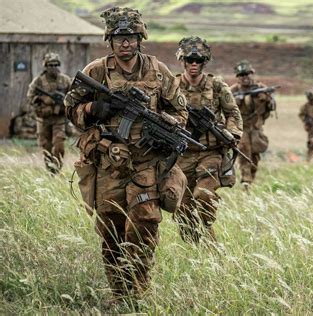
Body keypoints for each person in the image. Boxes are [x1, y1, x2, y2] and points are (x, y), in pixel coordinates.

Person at [64, 7, 188, 300]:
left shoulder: (159, 71)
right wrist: (95, 109)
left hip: (147, 164)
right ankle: (119, 292)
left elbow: (181, 112)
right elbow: (70, 108)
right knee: (111, 231)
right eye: (119, 37)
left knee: (144, 225)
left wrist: (166, 129)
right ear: (110, 40)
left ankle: (138, 290)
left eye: (131, 37)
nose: (125, 43)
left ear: (140, 38)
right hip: (108, 163)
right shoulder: (96, 71)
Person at [174, 36, 243, 244]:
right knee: (182, 207)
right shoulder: (172, 85)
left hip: (210, 153)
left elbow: (233, 113)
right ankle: (193, 251)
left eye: (199, 60)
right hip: (181, 154)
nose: (194, 64)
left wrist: (232, 133)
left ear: (205, 62)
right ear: (183, 61)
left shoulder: (217, 85)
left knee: (203, 195)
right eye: (189, 60)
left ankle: (210, 243)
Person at [230, 60, 276, 189]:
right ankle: (246, 180)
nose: (245, 77)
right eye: (241, 75)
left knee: (255, 156)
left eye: (247, 74)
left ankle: (250, 178)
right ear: (237, 77)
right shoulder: (233, 90)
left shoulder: (260, 88)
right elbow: (225, 108)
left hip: (256, 127)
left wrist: (267, 99)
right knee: (244, 151)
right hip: (241, 128)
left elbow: (271, 106)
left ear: (252, 74)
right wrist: (236, 101)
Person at [26, 52, 71, 173]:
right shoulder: (38, 81)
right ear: (45, 66)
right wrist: (42, 99)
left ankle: (56, 169)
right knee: (45, 146)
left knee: (59, 145)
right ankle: (50, 169)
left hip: (59, 119)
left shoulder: (65, 80)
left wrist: (65, 102)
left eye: (56, 64)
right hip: (43, 118)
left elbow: (74, 96)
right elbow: (30, 97)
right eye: (50, 65)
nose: (54, 67)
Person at [298, 91, 313, 162]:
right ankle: (309, 158)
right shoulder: (305, 106)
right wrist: (306, 120)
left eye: (311, 97)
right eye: (309, 97)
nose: (311, 98)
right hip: (310, 127)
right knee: (311, 142)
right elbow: (301, 115)